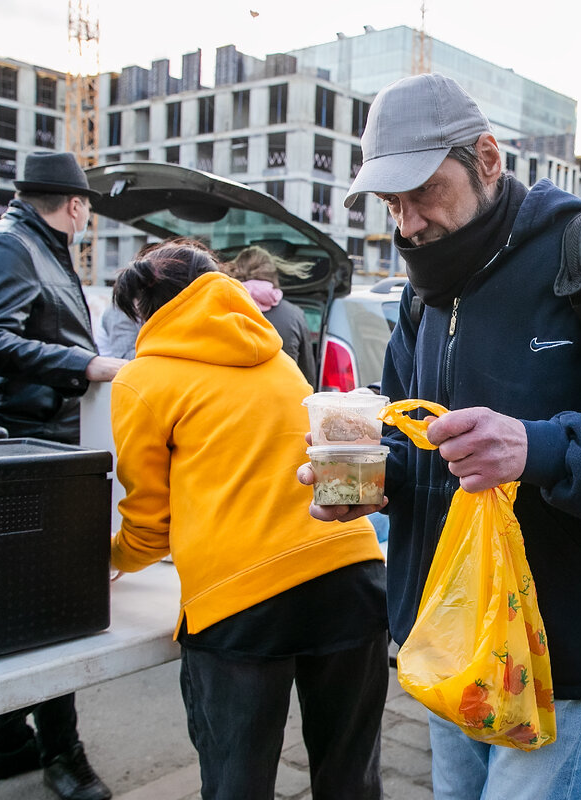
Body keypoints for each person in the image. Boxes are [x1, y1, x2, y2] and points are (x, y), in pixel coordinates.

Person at [305, 73, 581, 800]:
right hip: (446, 634)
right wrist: (373, 483)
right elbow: (415, 442)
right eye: (391, 203)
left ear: (487, 160)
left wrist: (539, 449)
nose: (407, 224)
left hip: (557, 647)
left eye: (422, 192)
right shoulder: (422, 291)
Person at [108, 240, 388, 799]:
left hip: (241, 602)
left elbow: (149, 525)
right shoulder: (275, 354)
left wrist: (108, 560)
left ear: (144, 311)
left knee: (237, 781)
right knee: (351, 780)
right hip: (351, 573)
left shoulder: (141, 380)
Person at [0, 151, 122, 800]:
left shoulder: (32, 245)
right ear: (72, 206)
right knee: (50, 603)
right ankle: (63, 756)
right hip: (21, 455)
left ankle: (5, 744)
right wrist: (84, 366)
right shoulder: (12, 248)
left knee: (14, 605)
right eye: (86, 206)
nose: (87, 216)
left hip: (37, 449)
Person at [223, 245, 317, 385]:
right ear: (273, 276)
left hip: (231, 402)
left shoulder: (222, 309)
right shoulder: (294, 316)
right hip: (281, 401)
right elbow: (308, 377)